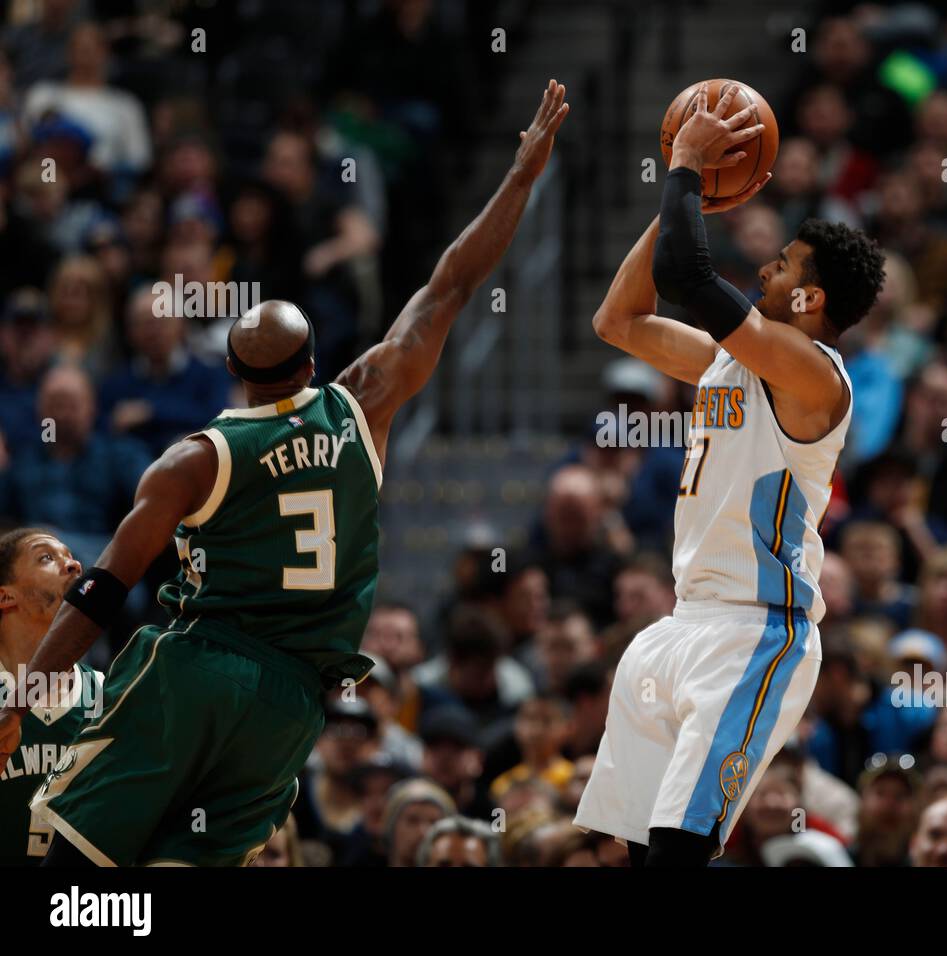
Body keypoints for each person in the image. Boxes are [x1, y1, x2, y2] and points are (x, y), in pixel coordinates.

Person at [0, 81, 569, 867]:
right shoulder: (365, 399)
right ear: (312, 361)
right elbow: (452, 283)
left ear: (233, 370)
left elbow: (100, 591)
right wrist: (520, 177)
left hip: (196, 672)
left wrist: (26, 697)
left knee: (75, 865)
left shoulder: (192, 460)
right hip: (295, 701)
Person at [575, 83, 886, 866]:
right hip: (682, 623)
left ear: (809, 299)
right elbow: (618, 320)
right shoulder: (730, 363)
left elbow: (688, 273)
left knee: (680, 850)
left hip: (757, 630)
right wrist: (690, 191)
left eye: (780, 268)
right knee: (626, 850)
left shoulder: (816, 376)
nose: (765, 272)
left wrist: (687, 170)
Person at [0, 529, 101, 865]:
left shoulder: (107, 693)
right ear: (5, 597)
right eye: (47, 557)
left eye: (70, 556)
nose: (73, 565)